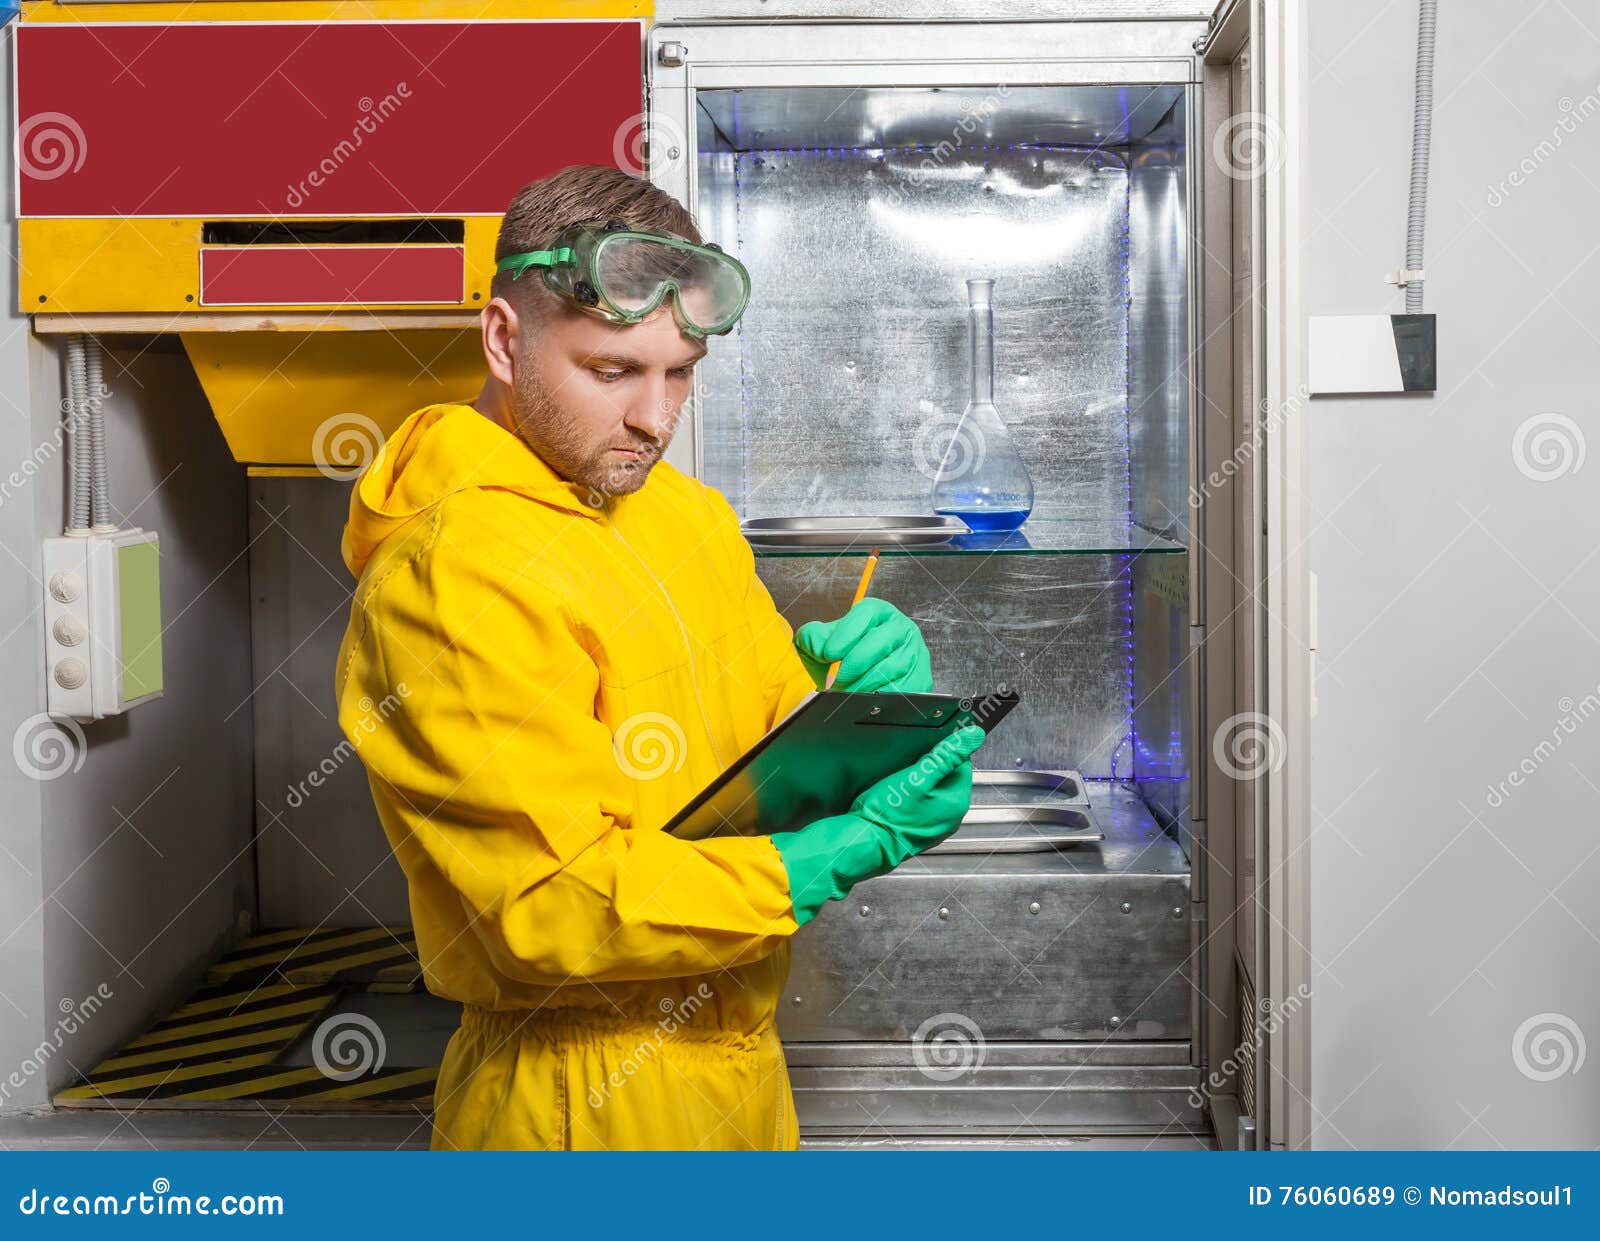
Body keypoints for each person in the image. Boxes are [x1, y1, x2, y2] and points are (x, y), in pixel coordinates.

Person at [334, 164, 983, 1151]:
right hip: (574, 1101)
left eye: (679, 371)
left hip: (741, 1069)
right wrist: (843, 850)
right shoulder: (450, 572)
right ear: (506, 341)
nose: (655, 417)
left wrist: (853, 709)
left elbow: (748, 763)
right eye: (611, 371)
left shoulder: (684, 514)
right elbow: (556, 903)